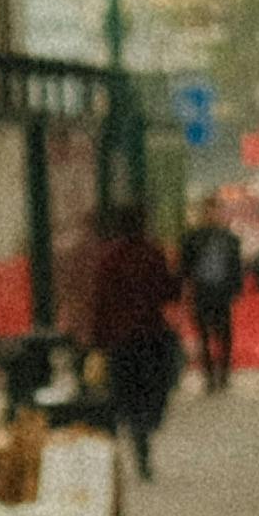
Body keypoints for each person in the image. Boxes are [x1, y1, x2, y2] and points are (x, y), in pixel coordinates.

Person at [78, 198, 184, 478]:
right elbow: (169, 292)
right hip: (150, 337)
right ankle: (143, 438)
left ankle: (135, 439)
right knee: (150, 392)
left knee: (125, 394)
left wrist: (97, 341)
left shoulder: (109, 258)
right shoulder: (153, 253)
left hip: (120, 341)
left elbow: (100, 303)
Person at [178, 200, 250, 397]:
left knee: (224, 333)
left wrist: (236, 289)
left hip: (222, 292)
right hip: (201, 292)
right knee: (204, 334)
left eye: (217, 211)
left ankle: (224, 374)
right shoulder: (193, 238)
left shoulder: (229, 238)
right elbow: (185, 266)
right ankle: (210, 375)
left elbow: (236, 266)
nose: (213, 215)